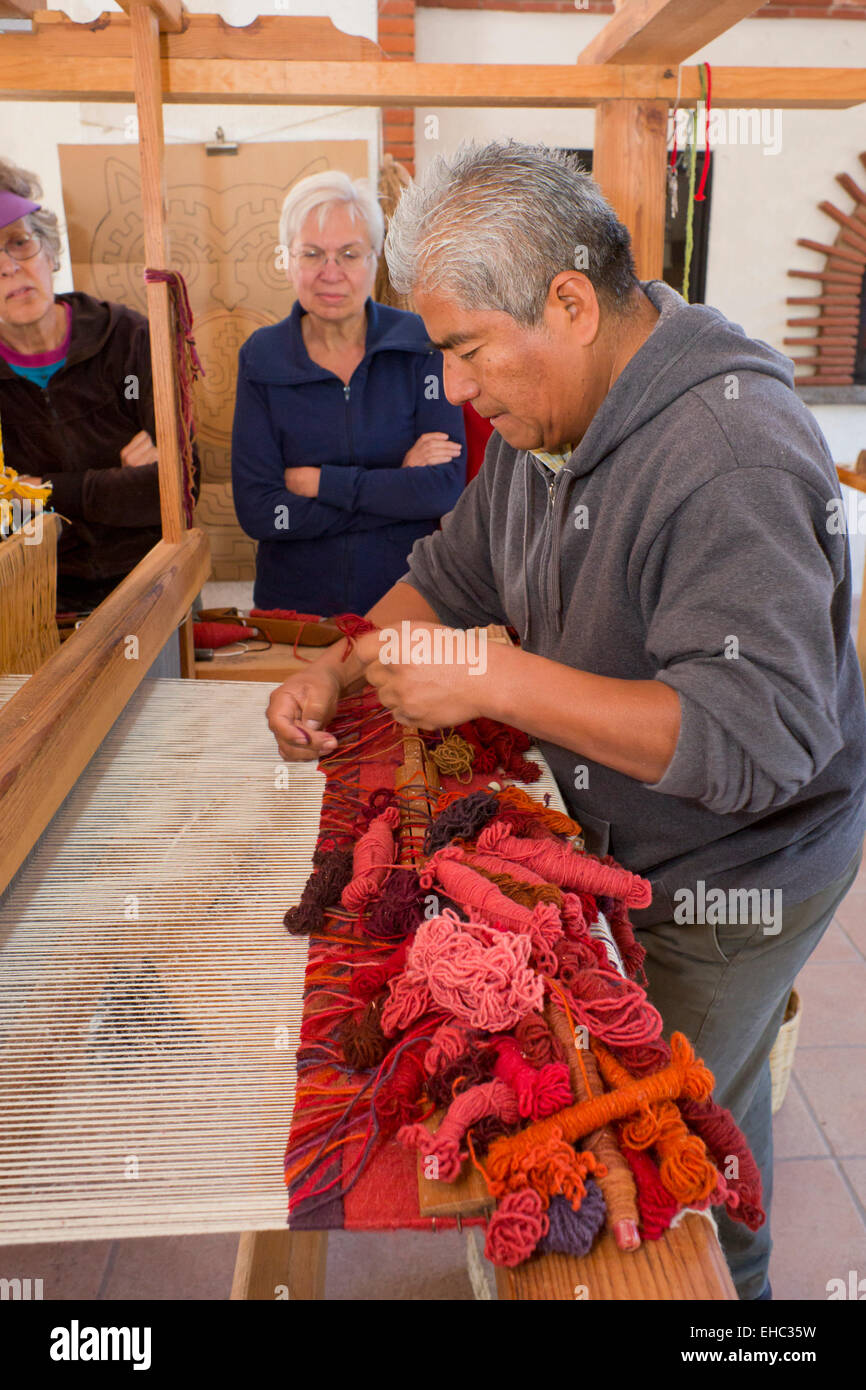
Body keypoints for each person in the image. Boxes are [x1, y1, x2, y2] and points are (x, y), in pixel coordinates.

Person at [264, 141, 866, 1301]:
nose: (457, 389)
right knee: (701, 1098)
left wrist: (496, 683)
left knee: (666, 1146)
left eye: (467, 351)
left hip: (735, 869)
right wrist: (340, 670)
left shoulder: (729, 451)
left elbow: (755, 738)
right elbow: (452, 571)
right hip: (629, 835)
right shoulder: (553, 423)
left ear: (570, 304)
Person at [231, 170, 466, 615]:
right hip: (296, 610)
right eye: (312, 254)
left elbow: (442, 491)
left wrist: (320, 482)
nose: (331, 273)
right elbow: (260, 512)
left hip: (408, 601)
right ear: (286, 259)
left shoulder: (420, 342)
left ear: (375, 260)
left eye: (349, 254)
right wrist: (396, 482)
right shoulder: (262, 358)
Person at [0, 160, 196, 613]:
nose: (9, 268)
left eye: (19, 243)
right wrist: (112, 484)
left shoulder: (128, 338)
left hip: (152, 583)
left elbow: (180, 488)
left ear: (49, 251)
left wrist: (43, 490)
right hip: (37, 604)